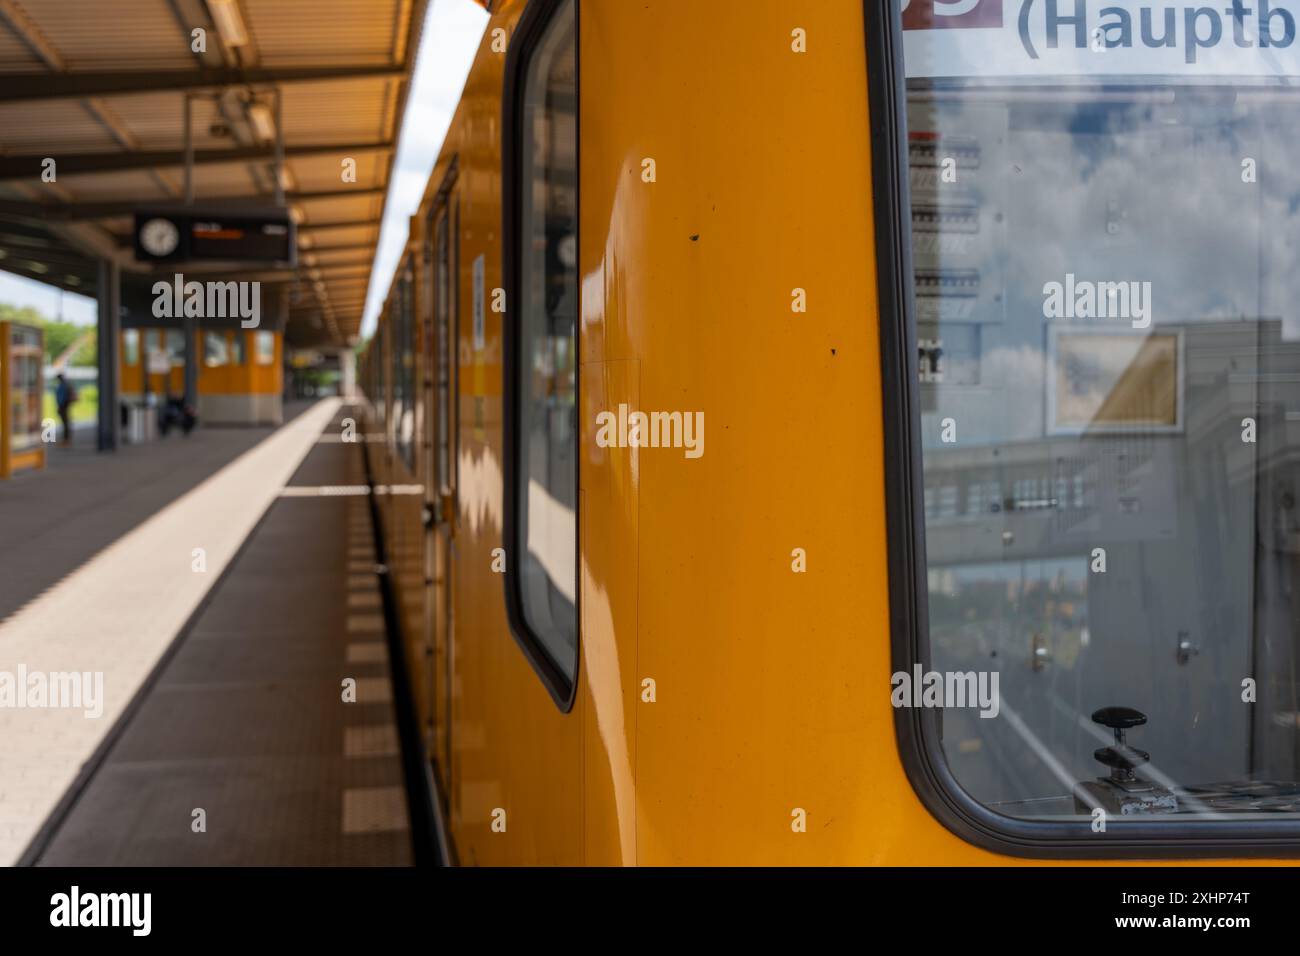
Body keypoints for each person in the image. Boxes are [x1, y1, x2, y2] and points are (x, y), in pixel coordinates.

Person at [55, 372, 76, 445]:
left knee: (65, 422)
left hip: (63, 405)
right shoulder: (65, 384)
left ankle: (66, 439)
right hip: (64, 405)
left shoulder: (63, 385)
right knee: (65, 422)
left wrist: (60, 405)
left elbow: (61, 397)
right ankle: (66, 439)